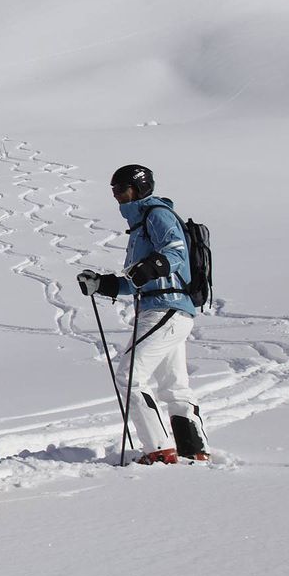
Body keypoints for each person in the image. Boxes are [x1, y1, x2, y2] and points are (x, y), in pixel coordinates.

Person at [78, 164, 208, 464]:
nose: (117, 196)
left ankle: (159, 450)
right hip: (167, 309)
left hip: (165, 309)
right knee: (174, 387)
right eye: (113, 191)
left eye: (121, 190)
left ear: (138, 188)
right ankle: (194, 450)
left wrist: (151, 267)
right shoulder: (140, 226)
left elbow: (175, 252)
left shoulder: (156, 215)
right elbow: (136, 281)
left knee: (128, 377)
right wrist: (103, 284)